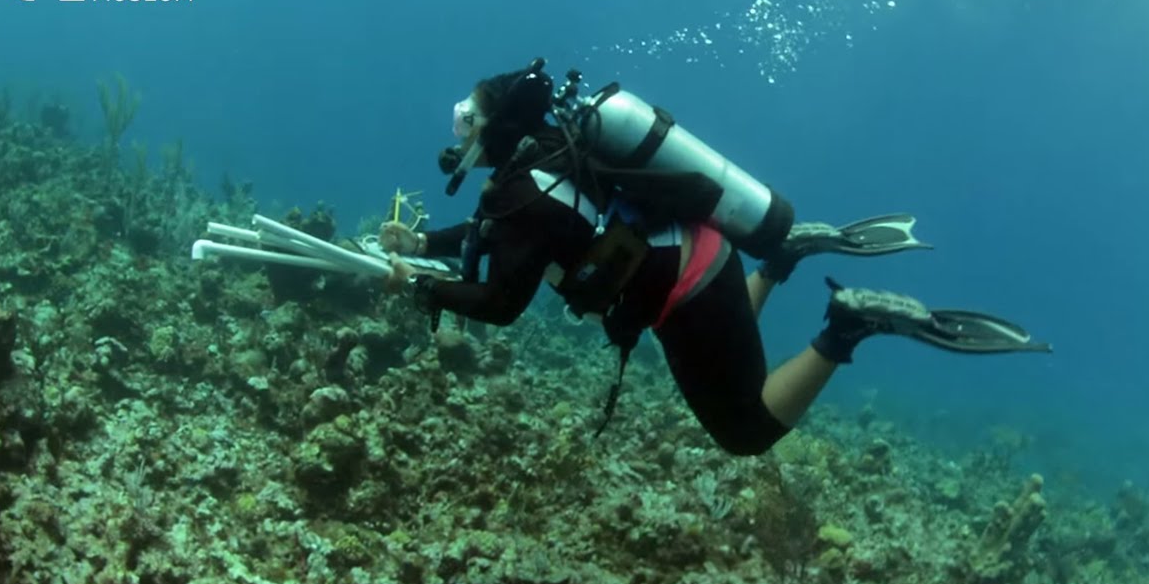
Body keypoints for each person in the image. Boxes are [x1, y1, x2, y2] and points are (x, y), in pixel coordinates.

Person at [381, 63, 1051, 456]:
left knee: (746, 431)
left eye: (466, 120)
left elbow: (500, 305)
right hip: (697, 263)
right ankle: (781, 260)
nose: (459, 133)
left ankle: (846, 325)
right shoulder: (545, 164)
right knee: (732, 358)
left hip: (688, 290)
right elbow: (493, 233)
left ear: (498, 130)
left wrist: (422, 289)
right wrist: (422, 246)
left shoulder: (526, 192)